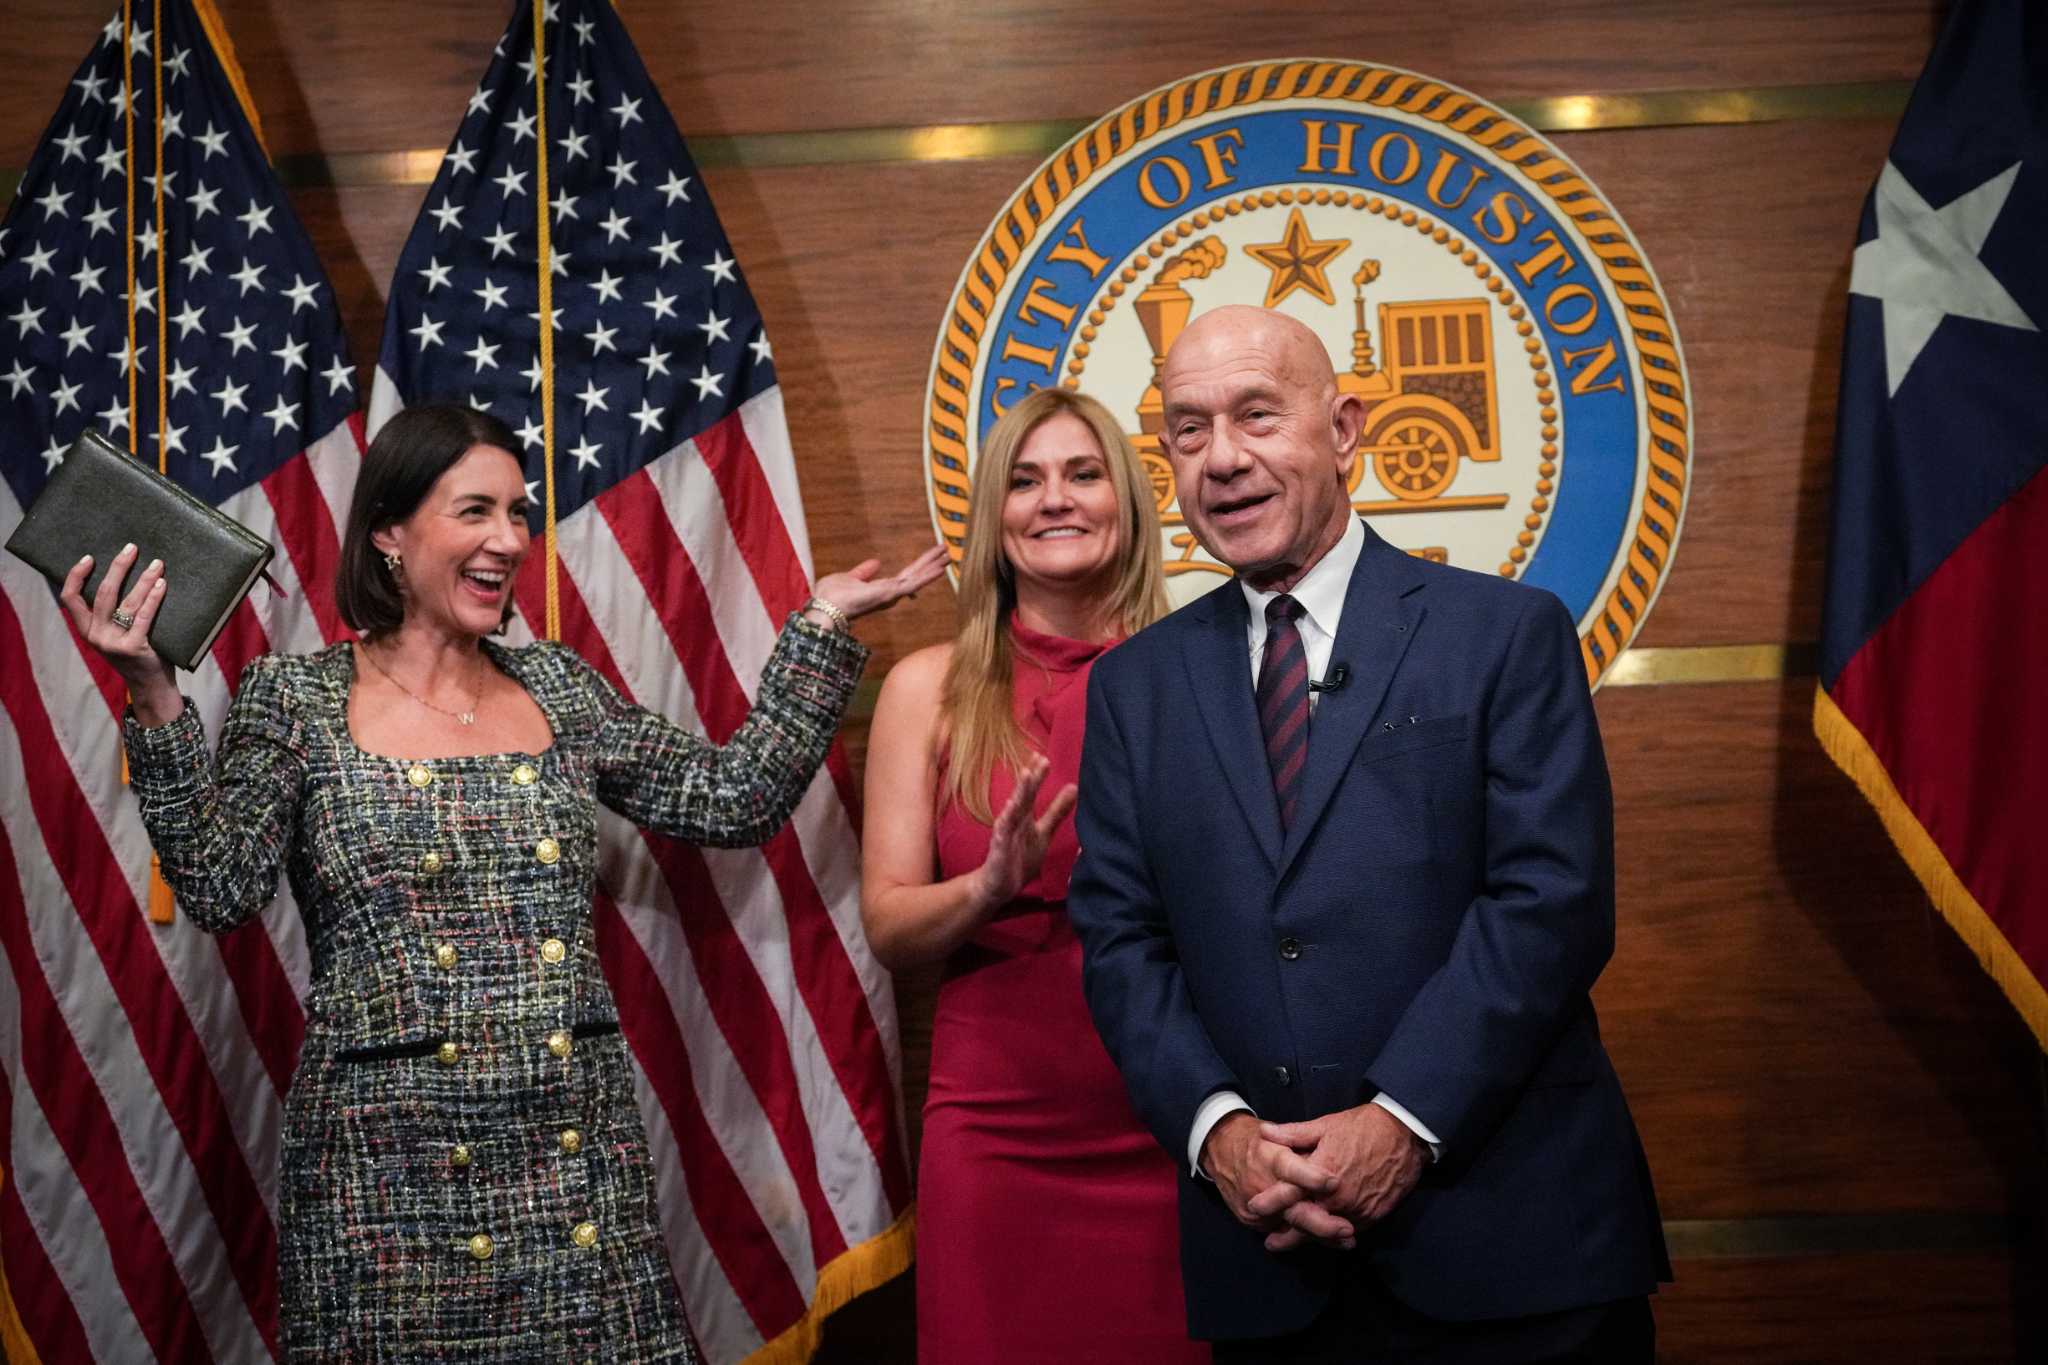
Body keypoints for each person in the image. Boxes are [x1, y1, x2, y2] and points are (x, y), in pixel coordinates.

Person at [63, 404, 947, 1363]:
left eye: (519, 514)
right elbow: (220, 886)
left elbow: (731, 798)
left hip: (575, 1171)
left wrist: (819, 622)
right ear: (391, 534)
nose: (508, 541)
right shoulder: (298, 698)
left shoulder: (560, 687)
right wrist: (154, 692)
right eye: (475, 511)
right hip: (388, 1192)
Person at [1068, 306, 1669, 1362]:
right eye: (1189, 429)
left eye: (1257, 415)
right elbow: (1120, 941)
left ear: (1343, 429)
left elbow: (1550, 904)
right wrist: (1219, 1136)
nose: (1221, 459)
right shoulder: (1132, 688)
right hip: (1270, 1260)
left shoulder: (1504, 633)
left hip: (1512, 1247)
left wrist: (1403, 1118)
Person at [860, 388, 1206, 1363]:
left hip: (1176, 1116)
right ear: (994, 517)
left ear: (1127, 503)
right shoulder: (926, 687)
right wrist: (987, 886)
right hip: (997, 1130)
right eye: (1024, 480)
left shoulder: (1202, 674)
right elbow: (887, 927)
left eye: (1082, 474)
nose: (1054, 499)